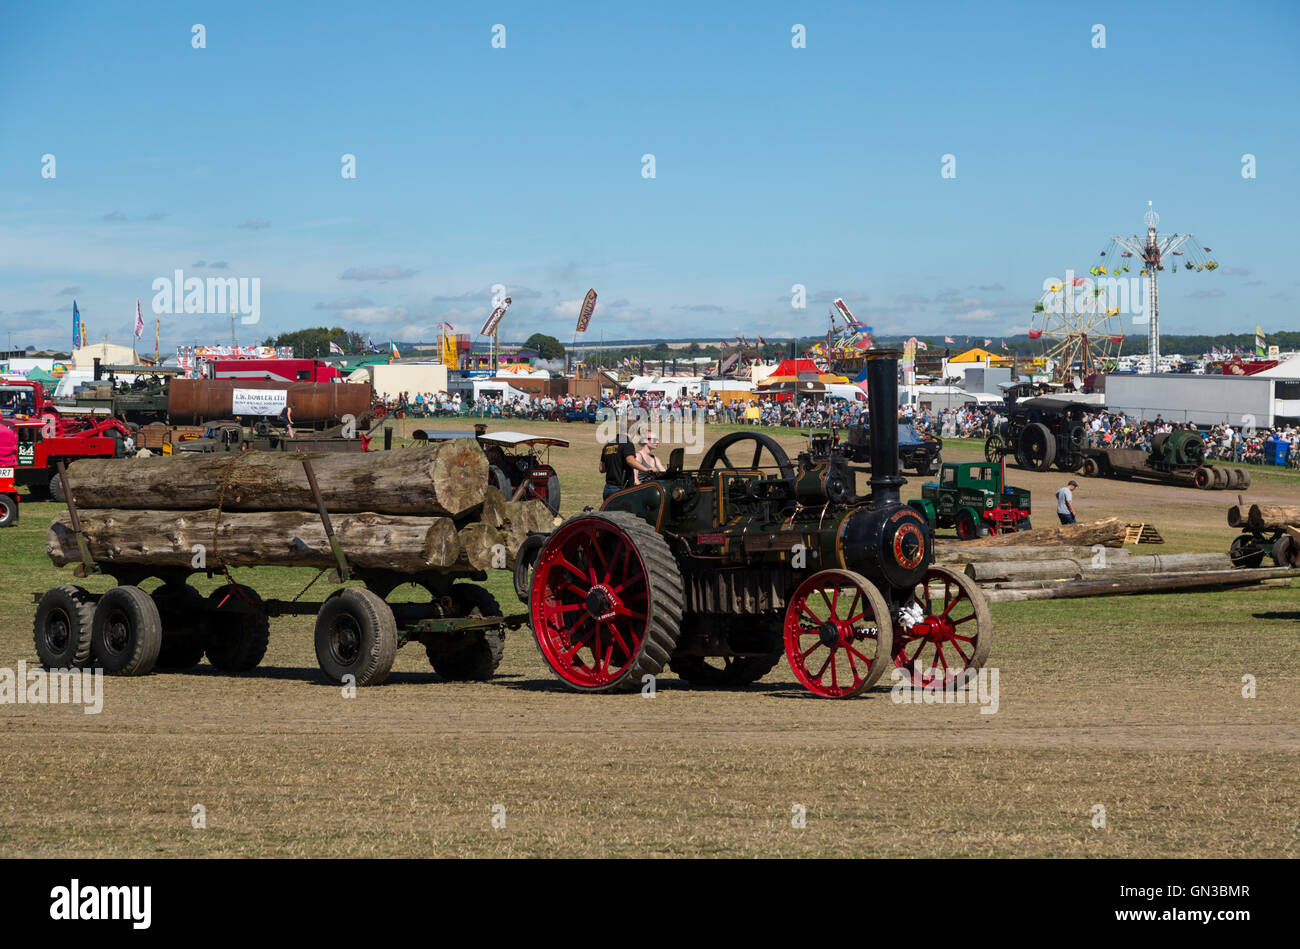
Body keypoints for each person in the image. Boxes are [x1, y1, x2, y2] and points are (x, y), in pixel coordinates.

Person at [600, 434, 650, 499]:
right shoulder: (627, 444)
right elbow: (630, 460)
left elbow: (602, 469)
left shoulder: (608, 445)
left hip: (608, 488)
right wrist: (647, 470)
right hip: (621, 489)